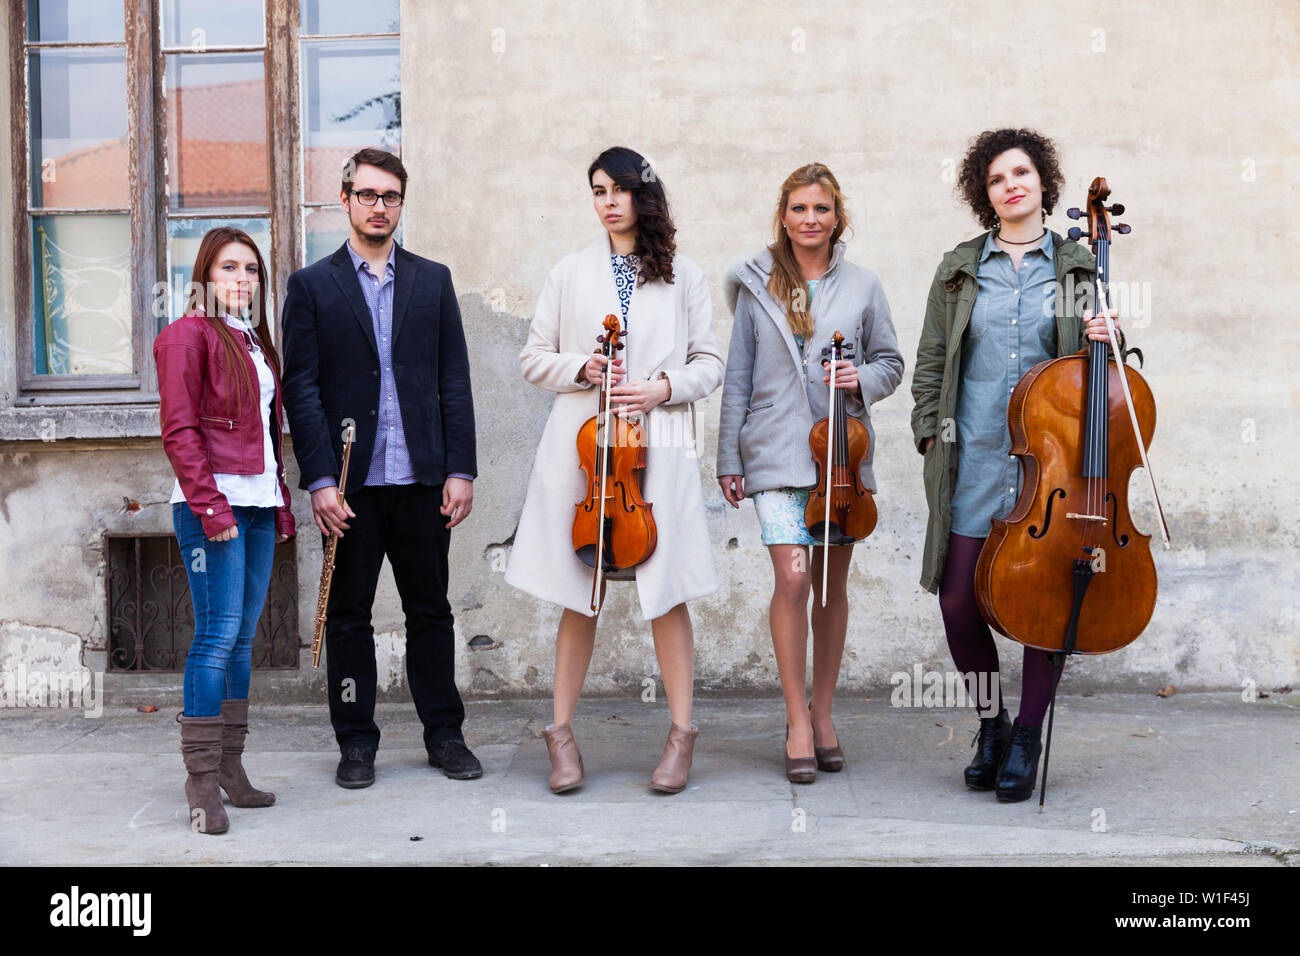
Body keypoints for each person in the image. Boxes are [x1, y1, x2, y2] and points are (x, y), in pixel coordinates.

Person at [911, 128, 1123, 802]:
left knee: (1045, 605)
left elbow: (1108, 379)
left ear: (1042, 183)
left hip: (1052, 469)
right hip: (972, 456)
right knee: (957, 602)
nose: (1011, 185)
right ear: (986, 193)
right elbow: (932, 365)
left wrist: (1111, 340)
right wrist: (927, 434)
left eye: (1021, 173)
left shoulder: (1077, 267)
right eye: (998, 178)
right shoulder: (958, 269)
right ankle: (989, 722)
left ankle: (1027, 734)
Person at [505, 146, 724, 795]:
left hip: (661, 447)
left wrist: (662, 387)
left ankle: (681, 736)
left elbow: (709, 363)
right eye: (597, 189)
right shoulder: (571, 271)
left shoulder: (684, 275)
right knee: (583, 591)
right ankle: (562, 737)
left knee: (668, 591)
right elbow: (532, 357)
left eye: (618, 189)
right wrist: (582, 367)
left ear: (642, 195)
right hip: (588, 448)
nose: (606, 200)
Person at [280, 147, 481, 788]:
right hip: (349, 486)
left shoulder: (432, 280)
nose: (378, 206)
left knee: (431, 612)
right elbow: (300, 388)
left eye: (390, 196)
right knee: (348, 618)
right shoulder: (311, 286)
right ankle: (356, 742)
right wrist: (317, 481)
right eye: (367, 195)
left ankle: (445, 735)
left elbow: (454, 378)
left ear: (401, 202)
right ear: (345, 201)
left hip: (422, 479)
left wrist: (461, 469)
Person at [717, 163, 903, 783]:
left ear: (836, 216)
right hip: (772, 452)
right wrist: (727, 459)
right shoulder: (755, 285)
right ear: (784, 216)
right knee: (794, 581)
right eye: (799, 209)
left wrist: (863, 379)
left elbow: (891, 361)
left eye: (821, 209)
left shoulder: (864, 284)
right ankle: (796, 718)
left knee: (830, 585)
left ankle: (824, 714)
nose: (810, 220)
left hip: (840, 457)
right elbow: (737, 377)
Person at [156, 226, 296, 834]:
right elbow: (181, 432)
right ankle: (202, 781)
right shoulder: (186, 336)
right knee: (215, 636)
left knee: (242, 640)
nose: (242, 279)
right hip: (210, 505)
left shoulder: (253, 341)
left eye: (251, 270)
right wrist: (211, 508)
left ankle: (232, 771)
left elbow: (265, 435)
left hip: (257, 503)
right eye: (228, 268)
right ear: (205, 277)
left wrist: (280, 501)